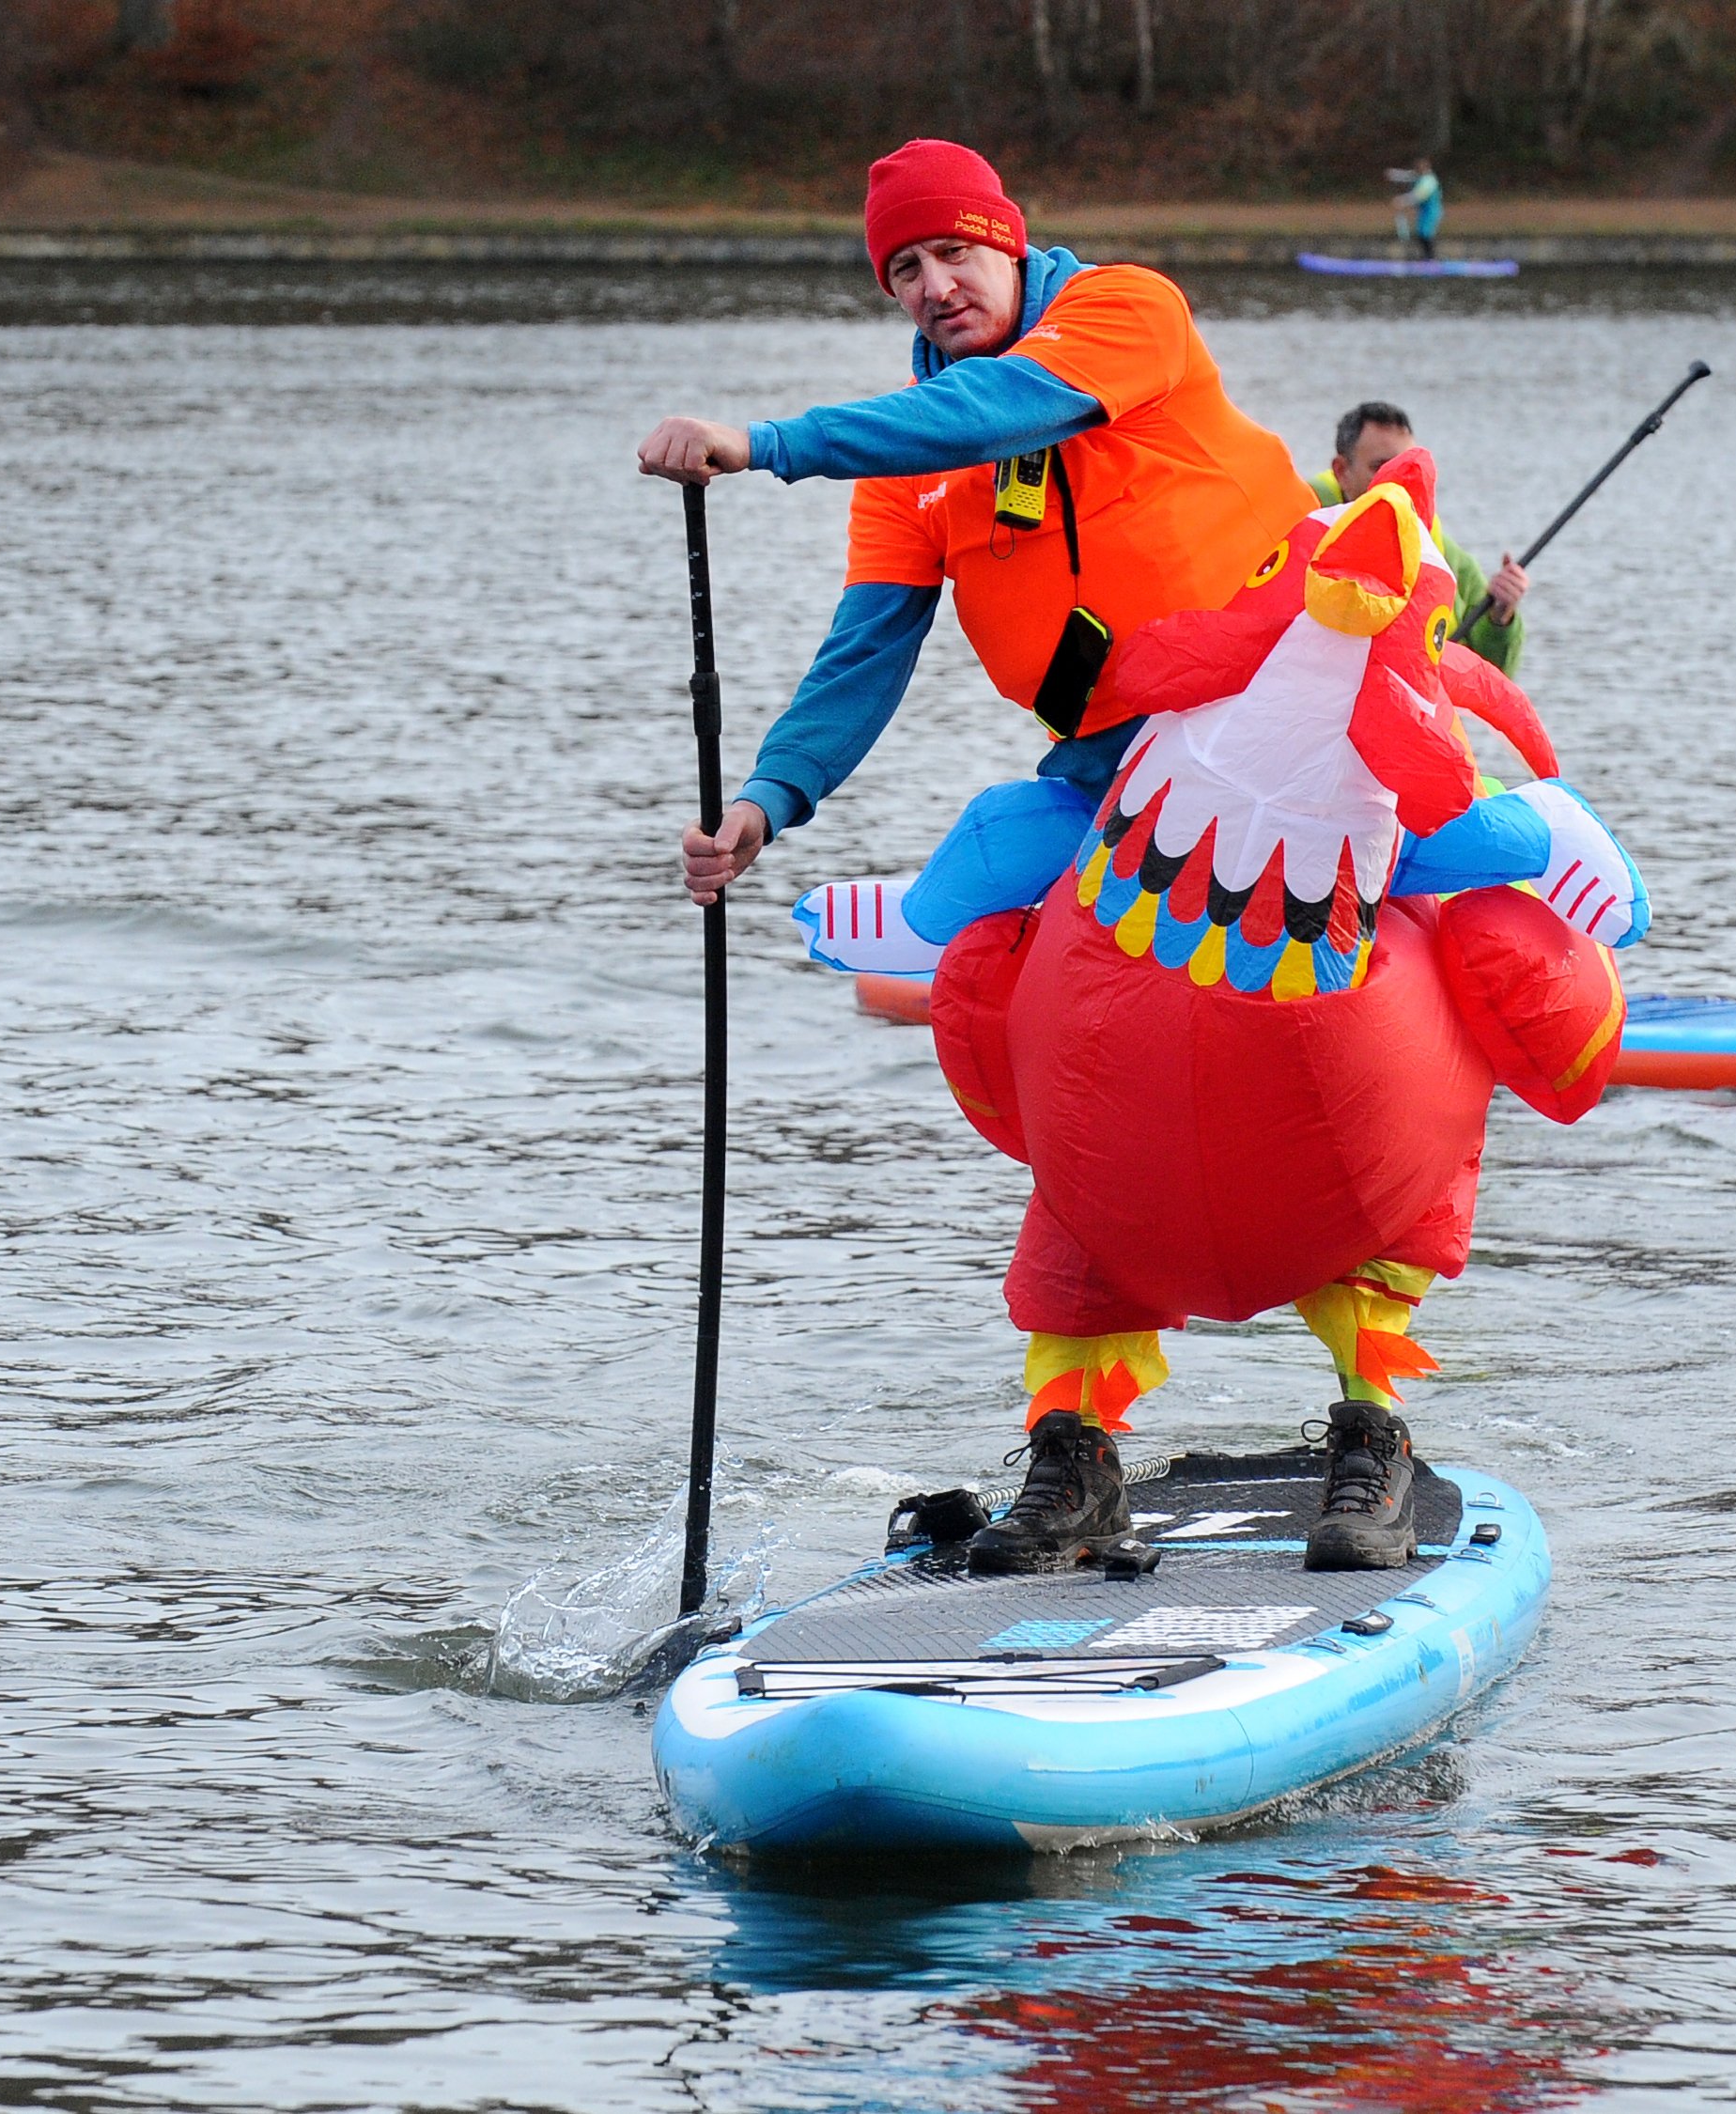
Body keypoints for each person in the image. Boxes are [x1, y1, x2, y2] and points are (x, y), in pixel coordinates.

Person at [632, 140, 1429, 1571]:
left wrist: (765, 444)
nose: (933, 284)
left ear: (1009, 244)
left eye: (954, 252)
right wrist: (764, 801)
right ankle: (1075, 1453)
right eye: (902, 268)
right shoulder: (911, 464)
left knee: (1368, 1021)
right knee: (1064, 1057)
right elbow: (867, 648)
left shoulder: (1126, 312)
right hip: (1103, 775)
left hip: (1295, 738)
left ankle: (1371, 1427)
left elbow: (1009, 405)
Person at [1310, 401, 1527, 676]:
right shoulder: (1298, 535)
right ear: (1342, 472)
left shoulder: (1450, 562)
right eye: (1381, 468)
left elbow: (1493, 677)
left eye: (1408, 468)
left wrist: (1500, 618)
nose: (1399, 483)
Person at [1386, 157, 1443, 259]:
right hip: (1424, 211)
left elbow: (1419, 195)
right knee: (1420, 232)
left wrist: (1402, 201)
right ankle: (1426, 256)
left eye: (1418, 168)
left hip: (1432, 211)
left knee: (1425, 233)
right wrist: (1393, 174)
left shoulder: (1429, 181)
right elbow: (1407, 176)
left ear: (1424, 168)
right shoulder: (1420, 175)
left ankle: (1430, 257)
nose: (1416, 171)